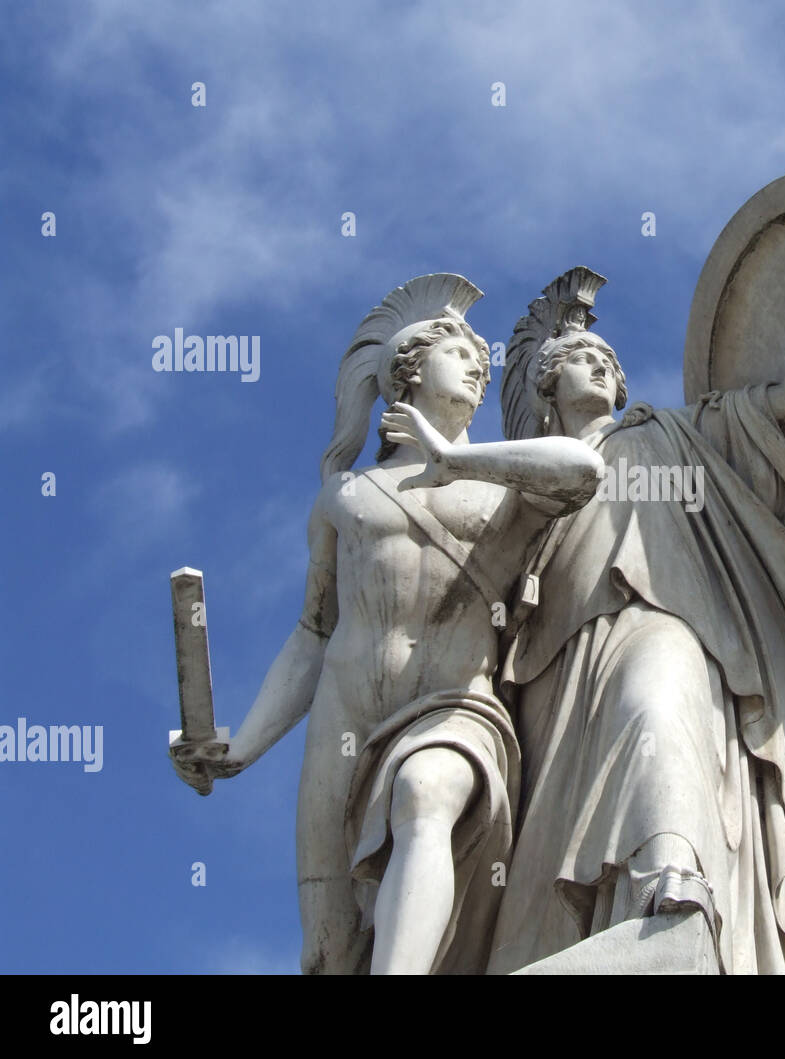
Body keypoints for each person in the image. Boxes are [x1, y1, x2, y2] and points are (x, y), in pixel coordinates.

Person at [171, 275, 603, 974]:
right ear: (408, 371)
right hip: (343, 716)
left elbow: (582, 469)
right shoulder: (342, 497)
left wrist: (454, 459)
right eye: (458, 351)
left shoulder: (501, 480)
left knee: (424, 794)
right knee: (330, 949)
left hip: (454, 701)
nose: (476, 364)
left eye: (481, 360)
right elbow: (314, 632)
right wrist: (241, 748)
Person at [487, 208, 785, 974]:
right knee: (543, 828)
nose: (601, 366)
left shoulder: (681, 434)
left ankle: (675, 889)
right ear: (545, 384)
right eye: (579, 357)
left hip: (664, 618)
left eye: (607, 358)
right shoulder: (520, 487)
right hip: (552, 668)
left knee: (656, 705)